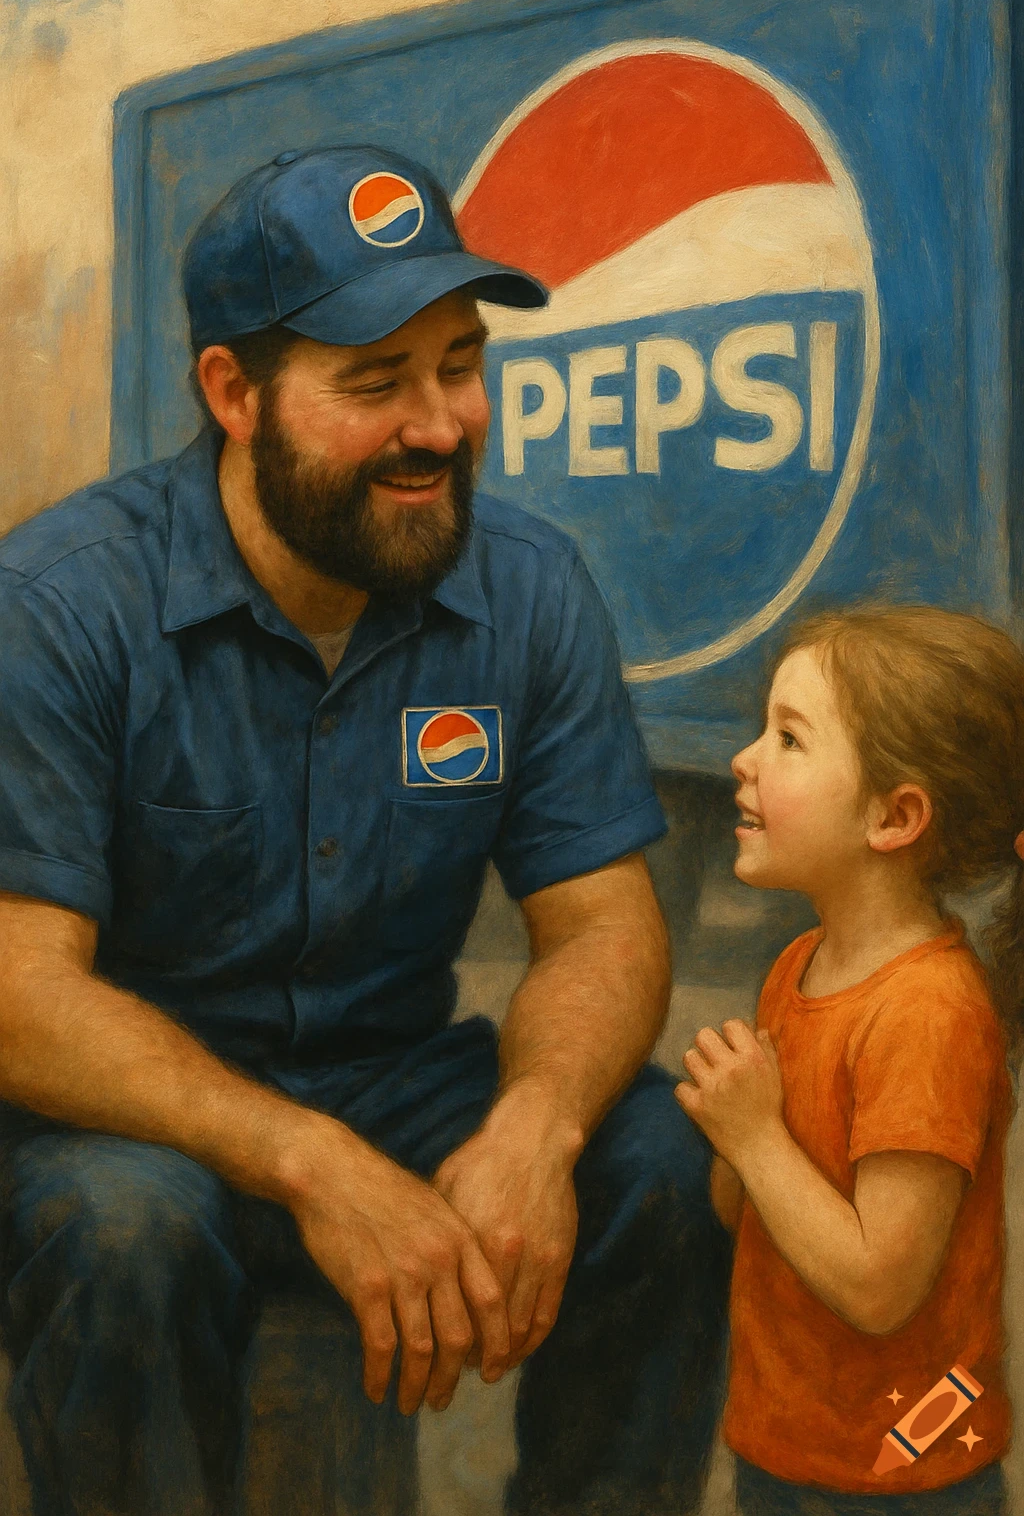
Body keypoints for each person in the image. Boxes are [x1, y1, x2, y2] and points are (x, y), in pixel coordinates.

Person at [0, 144, 729, 1516]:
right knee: (122, 1228)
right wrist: (310, 1162)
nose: (441, 425)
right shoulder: (54, 604)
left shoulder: (529, 589)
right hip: (139, 1122)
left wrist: (538, 1124)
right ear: (233, 393)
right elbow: (19, 996)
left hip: (396, 1077)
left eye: (460, 364)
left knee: (671, 1159)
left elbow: (604, 925)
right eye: (375, 382)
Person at [676, 605, 1020, 1516]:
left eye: (789, 739)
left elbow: (879, 1288)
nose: (744, 758)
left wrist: (751, 1136)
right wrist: (735, 1131)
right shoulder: (797, 968)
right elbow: (741, 1214)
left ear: (893, 816)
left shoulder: (931, 1012)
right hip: (789, 1444)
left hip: (902, 1468)